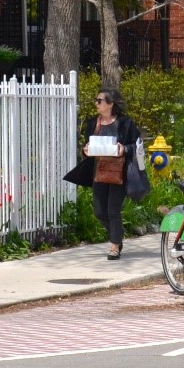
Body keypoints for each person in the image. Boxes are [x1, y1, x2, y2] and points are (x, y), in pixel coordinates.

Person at [68, 89, 141, 260]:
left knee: (113, 210)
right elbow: (88, 145)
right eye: (96, 100)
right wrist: (86, 150)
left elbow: (137, 145)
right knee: (99, 212)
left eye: (99, 100)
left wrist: (125, 149)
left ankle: (115, 245)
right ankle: (117, 235)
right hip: (99, 171)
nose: (96, 103)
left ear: (110, 104)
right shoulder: (93, 123)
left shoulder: (125, 124)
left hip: (118, 172)